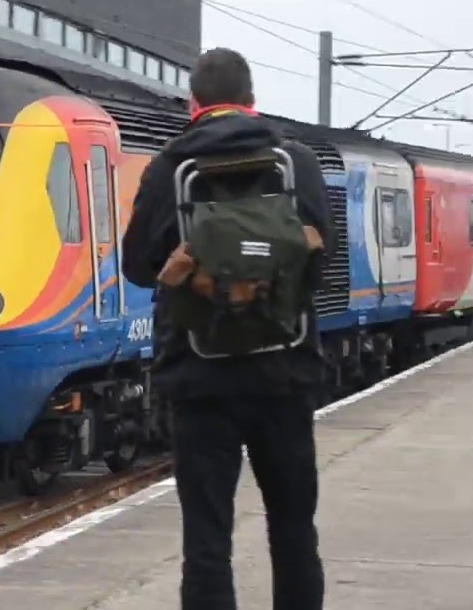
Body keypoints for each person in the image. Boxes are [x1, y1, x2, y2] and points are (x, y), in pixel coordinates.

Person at [121, 47, 332, 610]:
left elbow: (138, 265)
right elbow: (320, 257)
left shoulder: (169, 167)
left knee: (207, 541)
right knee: (293, 530)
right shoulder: (296, 162)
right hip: (283, 373)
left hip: (200, 377)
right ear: (251, 100)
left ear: (195, 102)